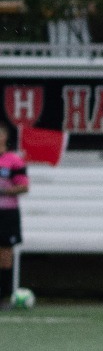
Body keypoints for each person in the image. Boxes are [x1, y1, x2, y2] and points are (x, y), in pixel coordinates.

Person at [0, 119, 26, 291]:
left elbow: (23, 186)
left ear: (5, 136)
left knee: (5, 251)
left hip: (7, 212)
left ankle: (4, 292)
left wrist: (4, 191)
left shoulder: (13, 160)